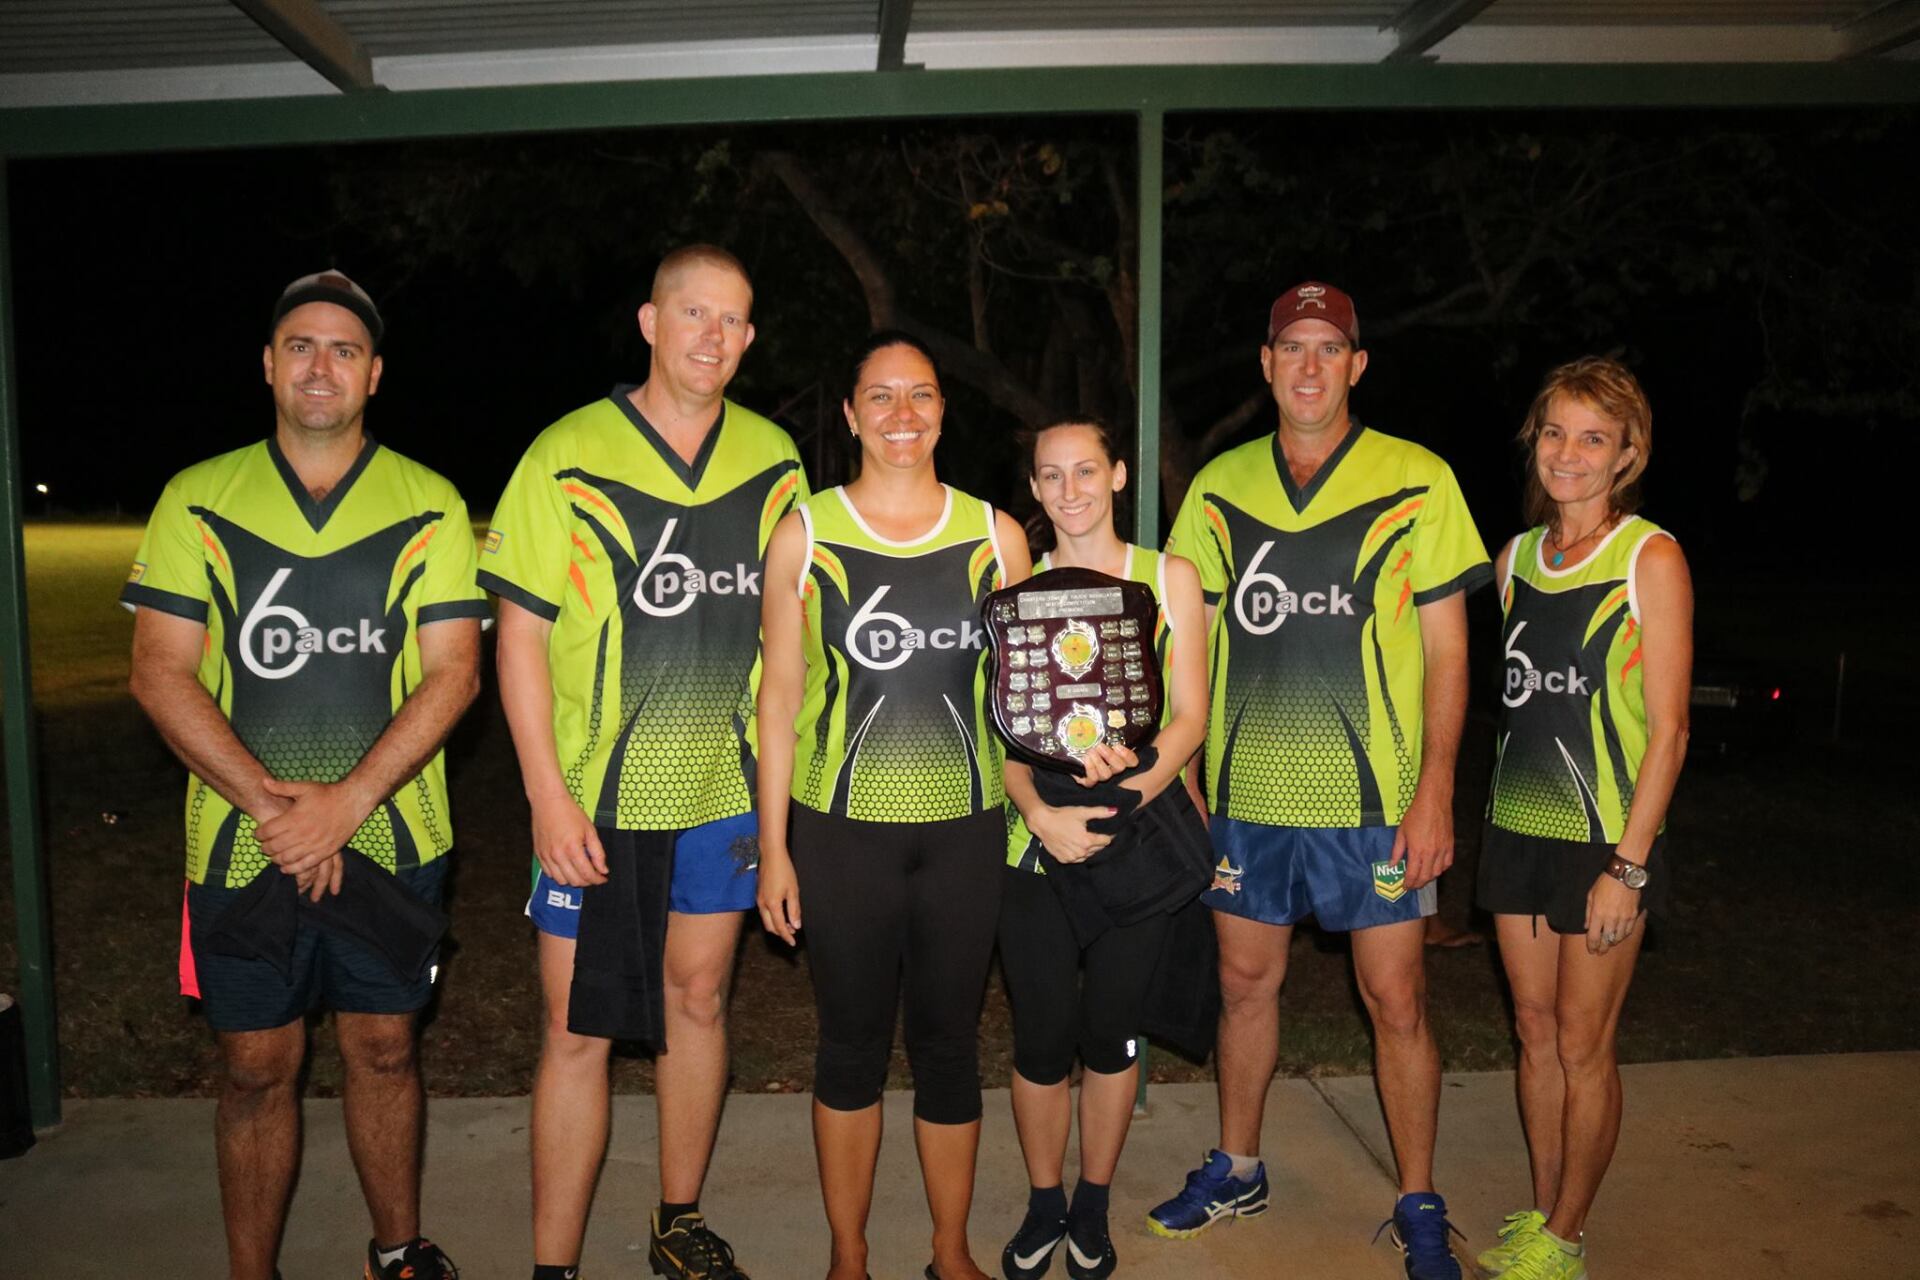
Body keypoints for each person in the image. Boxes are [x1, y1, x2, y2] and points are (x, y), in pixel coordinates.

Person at [124, 270, 486, 1280]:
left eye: (342, 348)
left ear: (374, 372)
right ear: (268, 364)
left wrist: (345, 804)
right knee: (253, 1066)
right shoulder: (197, 495)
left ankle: (397, 1249)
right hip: (243, 841)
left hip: (392, 836)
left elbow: (457, 674)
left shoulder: (431, 501)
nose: (319, 365)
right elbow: (159, 671)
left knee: (384, 1048)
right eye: (299, 344)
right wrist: (278, 809)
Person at [1151, 282, 1491, 1280]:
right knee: (1245, 982)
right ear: (1266, 364)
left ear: (1357, 364)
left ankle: (1418, 1195)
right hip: (1248, 796)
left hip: (1375, 801)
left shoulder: (1418, 478)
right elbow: (1187, 641)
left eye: (1327, 347)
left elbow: (1448, 655)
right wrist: (1186, 774)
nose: (1308, 364)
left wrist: (1436, 791)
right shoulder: (1216, 486)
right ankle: (1239, 1162)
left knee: (1397, 998)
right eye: (1290, 346)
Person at [481, 245, 806, 1280]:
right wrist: (543, 794)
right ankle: (553, 1265)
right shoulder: (567, 450)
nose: (712, 335)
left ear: (749, 339)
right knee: (579, 1030)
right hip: (596, 795)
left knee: (698, 1000)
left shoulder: (775, 457)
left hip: (722, 794)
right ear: (650, 322)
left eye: (732, 320)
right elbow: (519, 632)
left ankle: (678, 1218)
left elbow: (789, 638)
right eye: (693, 313)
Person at [755, 331, 1030, 1280]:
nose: (902, 416)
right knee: (850, 1047)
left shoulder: (998, 536)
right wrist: (775, 848)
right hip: (840, 833)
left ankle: (951, 1252)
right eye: (881, 397)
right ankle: (848, 1255)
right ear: (850, 414)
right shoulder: (807, 533)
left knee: (951, 1046)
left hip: (966, 829)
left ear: (944, 410)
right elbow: (779, 699)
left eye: (920, 396)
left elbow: (1025, 699)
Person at [1472, 358, 1691, 1280]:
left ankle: (1567, 1238)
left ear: (1627, 454)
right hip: (1516, 828)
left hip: (1606, 840)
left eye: (1593, 437)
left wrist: (1629, 866)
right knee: (1531, 1030)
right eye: (1555, 431)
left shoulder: (1651, 557)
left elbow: (1671, 730)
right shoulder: (1515, 559)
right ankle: (1545, 1209)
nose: (1569, 452)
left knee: (1582, 1041)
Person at [995, 418, 1211, 1280]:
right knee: (1041, 1037)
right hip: (1034, 842)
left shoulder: (1169, 578)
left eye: (1086, 469)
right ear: (1037, 490)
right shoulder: (1018, 583)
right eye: (1051, 476)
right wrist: (1044, 817)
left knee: (1112, 1033)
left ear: (1119, 474)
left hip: (1137, 829)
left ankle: (1092, 1199)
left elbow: (1190, 715)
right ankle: (1044, 1201)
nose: (1070, 489)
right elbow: (1007, 733)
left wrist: (1114, 802)